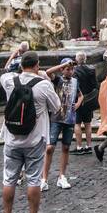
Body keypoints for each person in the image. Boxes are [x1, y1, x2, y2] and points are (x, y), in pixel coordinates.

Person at [0, 50, 62, 213]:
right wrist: (46, 80)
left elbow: (4, 72)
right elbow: (57, 108)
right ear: (37, 65)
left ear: (20, 65)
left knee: (9, 178)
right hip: (35, 139)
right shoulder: (43, 85)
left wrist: (13, 55)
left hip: (11, 138)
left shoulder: (9, 81)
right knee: (34, 179)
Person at [41, 58, 77, 191]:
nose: (70, 71)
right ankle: (44, 178)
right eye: (68, 69)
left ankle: (62, 176)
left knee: (66, 147)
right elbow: (48, 72)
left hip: (69, 119)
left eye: (72, 69)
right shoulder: (58, 80)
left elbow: (80, 96)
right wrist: (63, 65)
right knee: (50, 147)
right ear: (62, 70)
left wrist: (76, 105)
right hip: (56, 117)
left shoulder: (75, 81)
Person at [72, 52, 98, 154]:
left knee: (77, 123)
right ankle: (89, 146)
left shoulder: (75, 71)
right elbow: (95, 85)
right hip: (88, 101)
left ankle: (79, 147)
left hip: (78, 100)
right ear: (85, 59)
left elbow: (75, 87)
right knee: (88, 124)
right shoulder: (91, 70)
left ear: (77, 59)